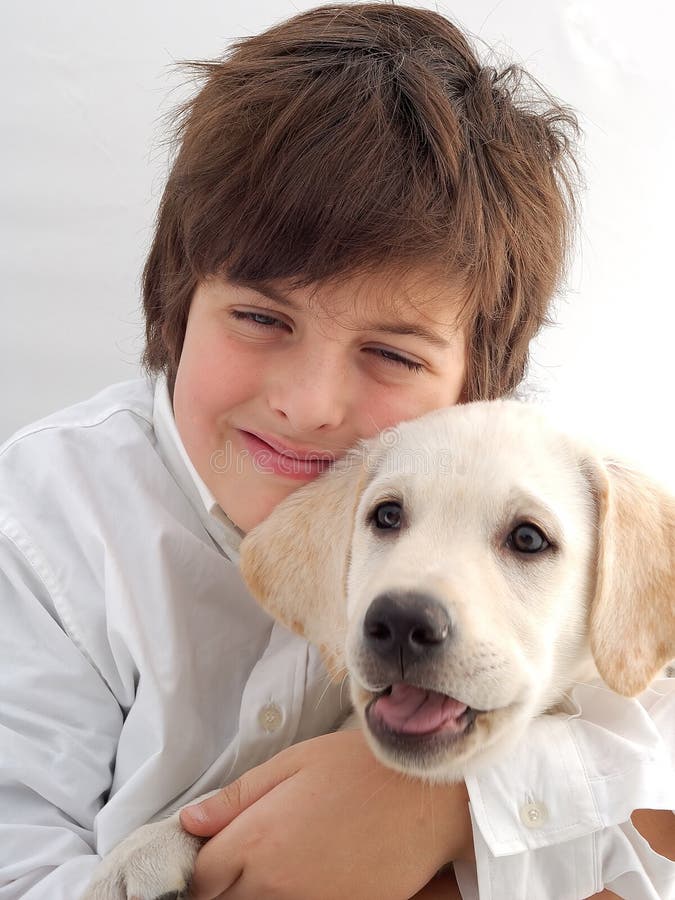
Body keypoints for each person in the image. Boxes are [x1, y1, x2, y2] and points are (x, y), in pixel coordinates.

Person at [1, 4, 672, 899]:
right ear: (175, 302)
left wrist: (440, 806)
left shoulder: (557, 494)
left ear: (479, 387)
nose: (309, 406)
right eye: (259, 317)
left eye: (392, 354)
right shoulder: (43, 522)